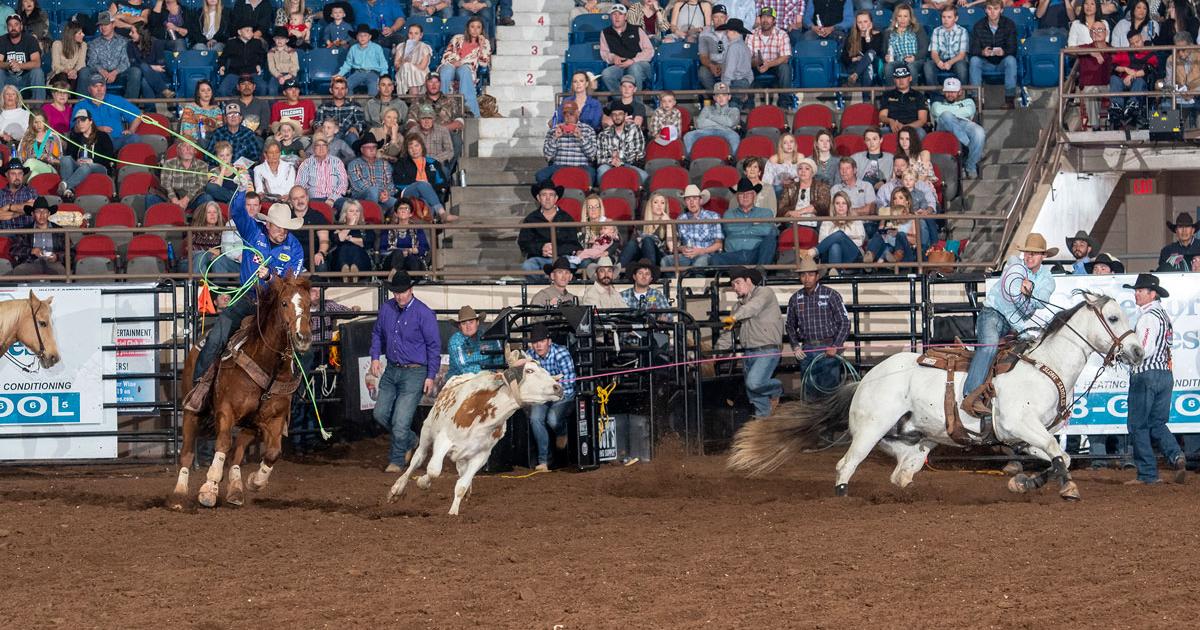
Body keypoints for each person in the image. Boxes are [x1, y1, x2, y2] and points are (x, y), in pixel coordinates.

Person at [186, 191, 306, 410]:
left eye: (285, 227)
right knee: (216, 338)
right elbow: (238, 210)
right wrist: (241, 189)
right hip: (248, 298)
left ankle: (297, 398)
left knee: (299, 343)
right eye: (277, 227)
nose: (282, 232)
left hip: (276, 306)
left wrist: (270, 277)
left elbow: (290, 285)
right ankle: (199, 389)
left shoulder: (295, 248)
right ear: (268, 225)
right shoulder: (253, 231)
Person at [962, 233, 1058, 418]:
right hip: (993, 315)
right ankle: (971, 395)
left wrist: (1030, 290)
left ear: (1043, 256)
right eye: (1027, 253)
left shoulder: (1047, 279)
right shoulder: (1014, 266)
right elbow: (1008, 305)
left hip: (1013, 322)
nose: (1029, 257)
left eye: (1035, 254)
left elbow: (1041, 301)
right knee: (989, 347)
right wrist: (1022, 328)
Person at [370, 269, 440, 472]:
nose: (399, 296)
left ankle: (397, 460)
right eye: (396, 292)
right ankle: (411, 440)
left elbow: (433, 347)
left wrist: (430, 375)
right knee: (380, 414)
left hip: (415, 372)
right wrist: (375, 356)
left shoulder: (424, 313)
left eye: (402, 292)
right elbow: (377, 334)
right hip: (392, 369)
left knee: (400, 420)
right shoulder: (387, 309)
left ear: (411, 290)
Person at [1121, 273, 1186, 485]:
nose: (1136, 294)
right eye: (1136, 290)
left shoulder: (1148, 317)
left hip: (1145, 375)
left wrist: (1123, 357)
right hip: (1165, 374)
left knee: (1138, 425)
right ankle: (1175, 454)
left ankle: (1147, 473)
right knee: (1157, 423)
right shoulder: (1164, 316)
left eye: (1140, 291)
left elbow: (1143, 350)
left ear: (1152, 294)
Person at [785, 257, 850, 398]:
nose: (806, 278)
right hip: (807, 349)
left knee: (830, 393)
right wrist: (795, 346)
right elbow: (790, 326)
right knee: (809, 393)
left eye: (810, 274)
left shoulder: (831, 295)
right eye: (803, 275)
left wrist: (836, 345)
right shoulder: (795, 299)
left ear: (817, 276)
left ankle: (831, 419)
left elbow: (845, 322)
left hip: (828, 347)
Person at [726, 266, 784, 417]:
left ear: (748, 280)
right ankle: (763, 425)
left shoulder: (765, 292)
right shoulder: (737, 307)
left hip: (767, 349)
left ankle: (777, 388)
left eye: (738, 283)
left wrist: (734, 318)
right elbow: (729, 331)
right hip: (749, 352)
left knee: (754, 383)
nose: (735, 288)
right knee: (754, 393)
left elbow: (753, 307)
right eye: (733, 285)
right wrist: (717, 350)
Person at [522, 322, 575, 471]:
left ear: (549, 342)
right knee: (535, 418)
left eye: (542, 341)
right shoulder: (530, 356)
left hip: (563, 395)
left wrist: (552, 385)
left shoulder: (561, 353)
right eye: (535, 342)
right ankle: (544, 461)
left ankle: (561, 431)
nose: (538, 345)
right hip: (542, 396)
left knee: (552, 419)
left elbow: (570, 384)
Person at [518, 181, 582, 280]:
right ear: (538, 198)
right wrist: (541, 248)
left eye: (551, 195)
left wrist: (555, 249)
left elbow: (574, 244)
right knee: (528, 266)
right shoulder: (531, 219)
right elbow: (524, 243)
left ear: (556, 198)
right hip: (539, 258)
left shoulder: (566, 218)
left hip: (562, 258)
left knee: (570, 267)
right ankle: (541, 289)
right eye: (544, 195)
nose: (548, 198)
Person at [709, 177, 778, 266]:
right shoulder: (729, 214)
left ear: (754, 195)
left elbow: (766, 230)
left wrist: (742, 226)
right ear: (737, 197)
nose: (745, 196)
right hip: (734, 255)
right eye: (741, 194)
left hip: (756, 254)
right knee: (715, 259)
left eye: (748, 194)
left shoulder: (766, 212)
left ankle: (759, 272)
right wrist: (754, 226)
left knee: (770, 238)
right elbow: (731, 229)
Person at [71, 72, 144, 151]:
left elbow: (138, 115)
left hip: (117, 140)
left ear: (105, 87)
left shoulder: (116, 100)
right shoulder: (81, 105)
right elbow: (75, 128)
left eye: (102, 86)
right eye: (95, 86)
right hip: (95, 142)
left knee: (134, 138)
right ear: (89, 89)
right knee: (102, 138)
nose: (99, 90)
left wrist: (131, 130)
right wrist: (97, 129)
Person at [930, 77, 986, 178]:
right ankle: (969, 147)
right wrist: (957, 112)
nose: (950, 94)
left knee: (979, 131)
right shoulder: (936, 104)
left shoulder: (968, 101)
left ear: (960, 92)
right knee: (947, 115)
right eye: (947, 92)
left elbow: (969, 111)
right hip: (944, 128)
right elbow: (938, 111)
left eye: (953, 92)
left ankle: (970, 166)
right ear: (943, 92)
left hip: (964, 124)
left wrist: (950, 111)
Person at [969, 0, 1020, 109]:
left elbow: (1013, 49)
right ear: (985, 10)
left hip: (1002, 62)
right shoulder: (978, 26)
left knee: (1011, 60)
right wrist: (982, 52)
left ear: (1001, 10)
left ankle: (1009, 100)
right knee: (974, 60)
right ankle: (976, 99)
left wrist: (1003, 52)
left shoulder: (1009, 24)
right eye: (989, 9)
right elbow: (973, 49)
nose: (992, 12)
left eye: (995, 9)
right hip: (986, 62)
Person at [53, 109, 113, 202]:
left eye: (83, 120)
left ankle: (66, 184)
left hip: (99, 166)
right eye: (78, 121)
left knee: (86, 166)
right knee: (65, 159)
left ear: (91, 121)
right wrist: (76, 161)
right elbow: (70, 155)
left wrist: (93, 160)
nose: (80, 123)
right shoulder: (75, 137)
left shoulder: (102, 136)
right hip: (80, 165)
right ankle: (68, 190)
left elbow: (109, 155)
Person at [661, 185, 723, 272]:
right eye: (688, 199)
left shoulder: (713, 216)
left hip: (706, 254)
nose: (691, 202)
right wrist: (682, 248)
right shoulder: (681, 218)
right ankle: (674, 284)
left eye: (694, 198)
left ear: (700, 200)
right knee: (665, 261)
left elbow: (719, 244)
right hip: (686, 256)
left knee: (698, 264)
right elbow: (676, 245)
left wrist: (702, 251)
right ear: (685, 202)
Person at [437, 16, 490, 119]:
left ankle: (468, 110)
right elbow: (447, 53)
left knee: (465, 70)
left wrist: (482, 45)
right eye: (472, 27)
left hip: (466, 68)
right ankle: (444, 108)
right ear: (468, 28)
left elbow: (483, 63)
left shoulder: (485, 43)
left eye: (478, 27)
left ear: (482, 29)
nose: (475, 30)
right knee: (447, 70)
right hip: (452, 64)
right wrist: (455, 61)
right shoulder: (457, 38)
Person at [536, 100, 598, 185]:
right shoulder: (554, 130)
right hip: (559, 165)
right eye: (565, 114)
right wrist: (555, 138)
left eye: (571, 113)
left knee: (591, 175)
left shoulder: (588, 130)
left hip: (581, 166)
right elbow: (547, 156)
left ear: (578, 113)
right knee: (540, 176)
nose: (568, 116)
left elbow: (592, 156)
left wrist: (581, 138)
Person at [80, 12, 141, 98]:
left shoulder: (124, 41)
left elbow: (126, 61)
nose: (103, 27)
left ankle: (129, 108)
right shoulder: (93, 43)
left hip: (119, 74)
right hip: (99, 75)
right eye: (100, 25)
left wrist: (115, 72)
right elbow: (91, 62)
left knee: (135, 71)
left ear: (113, 24)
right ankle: (82, 106)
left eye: (106, 24)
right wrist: (101, 71)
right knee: (84, 71)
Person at [394, 133, 452, 222]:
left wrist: (428, 187)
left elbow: (442, 183)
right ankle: (442, 213)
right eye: (410, 147)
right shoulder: (402, 163)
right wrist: (420, 183)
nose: (414, 149)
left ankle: (428, 232)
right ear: (407, 150)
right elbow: (398, 182)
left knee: (426, 201)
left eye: (416, 145)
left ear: (422, 146)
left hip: (429, 194)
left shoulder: (433, 163)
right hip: (407, 192)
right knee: (422, 184)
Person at [1108, 30, 1157, 129]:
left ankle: (1133, 105)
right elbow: (1114, 66)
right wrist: (1125, 69)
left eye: (1137, 41)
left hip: (1140, 83)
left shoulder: (1150, 54)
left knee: (1139, 81)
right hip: (1123, 81)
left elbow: (1146, 70)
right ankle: (1116, 106)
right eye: (1132, 43)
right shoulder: (1124, 53)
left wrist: (1132, 75)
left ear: (1142, 39)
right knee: (1114, 78)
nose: (1136, 45)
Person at [599, 4, 654, 92]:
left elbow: (649, 51)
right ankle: (622, 100)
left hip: (639, 63)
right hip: (620, 65)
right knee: (606, 74)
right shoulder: (605, 32)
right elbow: (604, 52)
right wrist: (613, 57)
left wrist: (633, 60)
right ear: (610, 17)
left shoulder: (637, 29)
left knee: (634, 68)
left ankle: (637, 102)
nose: (617, 17)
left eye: (620, 14)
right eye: (614, 14)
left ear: (625, 17)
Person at [6, 197, 66, 275]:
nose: (42, 215)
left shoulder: (59, 230)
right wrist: (31, 251)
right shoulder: (25, 231)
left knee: (62, 272)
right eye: (38, 212)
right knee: (19, 271)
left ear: (49, 214)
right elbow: (14, 250)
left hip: (54, 263)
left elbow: (70, 252)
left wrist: (57, 256)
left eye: (45, 212)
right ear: (33, 214)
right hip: (31, 262)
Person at [747, 7, 792, 106]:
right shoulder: (751, 34)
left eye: (769, 17)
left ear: (774, 20)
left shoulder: (782, 34)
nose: (765, 20)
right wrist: (757, 63)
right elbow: (747, 58)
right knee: (746, 68)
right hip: (756, 66)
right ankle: (748, 104)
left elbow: (785, 57)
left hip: (774, 66)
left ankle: (785, 103)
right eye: (763, 17)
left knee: (785, 68)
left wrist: (769, 64)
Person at [683, 81, 741, 155]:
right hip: (706, 131)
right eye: (718, 95)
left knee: (734, 136)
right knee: (688, 136)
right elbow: (700, 124)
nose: (721, 98)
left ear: (729, 97)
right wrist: (722, 122)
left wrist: (711, 117)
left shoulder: (734, 110)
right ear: (714, 97)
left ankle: (733, 161)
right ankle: (689, 161)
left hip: (725, 131)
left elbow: (729, 123)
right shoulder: (707, 108)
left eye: (724, 95)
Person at [596, 101, 647, 182]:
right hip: (610, 165)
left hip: (629, 164)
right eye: (614, 114)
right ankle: (604, 192)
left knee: (644, 176)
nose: (617, 117)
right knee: (602, 170)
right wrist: (611, 161)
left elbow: (639, 153)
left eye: (620, 114)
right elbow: (600, 157)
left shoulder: (635, 129)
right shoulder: (603, 134)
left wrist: (621, 160)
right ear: (611, 116)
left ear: (625, 115)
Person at [619, 192, 672, 268]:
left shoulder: (670, 223)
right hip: (641, 257)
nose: (659, 205)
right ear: (650, 205)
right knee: (631, 244)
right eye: (656, 202)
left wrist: (669, 224)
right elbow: (633, 246)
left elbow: (672, 248)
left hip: (659, 258)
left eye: (662, 203)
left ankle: (651, 272)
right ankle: (616, 273)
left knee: (647, 240)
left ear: (665, 206)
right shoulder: (641, 225)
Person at [446, 306, 501, 379]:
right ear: (459, 326)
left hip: (490, 377)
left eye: (471, 322)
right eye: (464, 324)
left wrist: (498, 371)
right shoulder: (455, 341)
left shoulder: (488, 336)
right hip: (461, 379)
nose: (468, 326)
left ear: (477, 322)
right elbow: (464, 368)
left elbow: (499, 358)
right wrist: (490, 372)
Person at [815, 191, 866, 267]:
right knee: (835, 246)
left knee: (839, 235)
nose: (841, 206)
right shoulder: (827, 222)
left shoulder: (856, 220)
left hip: (851, 255)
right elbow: (822, 241)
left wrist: (840, 239)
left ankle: (814, 251)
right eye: (837, 203)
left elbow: (859, 241)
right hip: (829, 255)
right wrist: (847, 238)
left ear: (848, 205)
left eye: (844, 203)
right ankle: (835, 274)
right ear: (833, 206)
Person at [345, 132, 395, 210]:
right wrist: (379, 193)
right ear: (361, 149)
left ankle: (381, 215)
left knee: (398, 203)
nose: (372, 149)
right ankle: (373, 216)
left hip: (383, 197)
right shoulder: (354, 164)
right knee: (373, 190)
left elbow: (390, 184)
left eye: (374, 147)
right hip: (361, 197)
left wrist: (387, 193)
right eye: (368, 147)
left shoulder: (385, 164)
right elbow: (358, 186)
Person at [0, 14, 44, 101]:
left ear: (21, 26)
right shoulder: (2, 40)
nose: (13, 27)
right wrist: (9, 65)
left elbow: (37, 63)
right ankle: (1, 108)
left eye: (16, 24)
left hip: (26, 77)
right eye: (10, 25)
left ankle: (38, 110)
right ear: (7, 27)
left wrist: (20, 66)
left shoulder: (30, 40)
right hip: (8, 78)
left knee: (38, 72)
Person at [881, 4, 928, 86]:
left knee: (911, 66)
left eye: (905, 16)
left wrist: (914, 57)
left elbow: (924, 48)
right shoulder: (888, 32)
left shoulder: (917, 28)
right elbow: (883, 50)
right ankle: (892, 94)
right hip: (897, 61)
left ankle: (913, 93)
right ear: (896, 17)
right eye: (899, 16)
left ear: (910, 17)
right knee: (888, 67)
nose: (902, 19)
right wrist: (886, 56)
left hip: (915, 60)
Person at [378, 199, 429, 271]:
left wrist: (411, 251)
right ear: (396, 213)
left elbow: (425, 249)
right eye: (400, 208)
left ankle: (415, 280)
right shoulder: (387, 229)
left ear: (410, 213)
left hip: (412, 259)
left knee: (412, 258)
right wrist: (400, 253)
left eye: (406, 208)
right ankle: (393, 276)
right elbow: (382, 250)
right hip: (391, 261)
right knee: (398, 254)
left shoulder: (417, 229)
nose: (403, 211)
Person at [295, 134, 349, 202]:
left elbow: (343, 183)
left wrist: (332, 198)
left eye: (324, 145)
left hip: (336, 198)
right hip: (314, 198)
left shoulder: (337, 162)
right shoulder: (306, 164)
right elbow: (300, 184)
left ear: (327, 148)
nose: (321, 148)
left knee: (350, 206)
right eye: (318, 145)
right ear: (313, 149)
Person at [338, 24, 388, 96]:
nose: (362, 37)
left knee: (374, 88)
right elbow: (348, 64)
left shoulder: (377, 48)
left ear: (369, 37)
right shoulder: (353, 48)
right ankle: (350, 104)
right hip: (358, 73)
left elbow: (383, 63)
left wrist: (384, 76)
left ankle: (372, 106)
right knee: (346, 86)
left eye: (365, 35)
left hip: (373, 73)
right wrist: (340, 74)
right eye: (360, 35)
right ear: (357, 37)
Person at [156, 141, 208, 211]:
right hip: (173, 196)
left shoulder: (202, 165)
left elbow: (200, 184)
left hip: (193, 198)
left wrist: (186, 199)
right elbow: (165, 183)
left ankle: (200, 221)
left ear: (195, 151)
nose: (188, 149)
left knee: (206, 198)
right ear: (179, 150)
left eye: (191, 147)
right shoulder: (169, 163)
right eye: (184, 146)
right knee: (151, 198)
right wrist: (174, 200)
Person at [924, 5, 969, 86]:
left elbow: (962, 55)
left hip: (956, 60)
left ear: (956, 18)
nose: (945, 20)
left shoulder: (962, 31)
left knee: (961, 67)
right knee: (928, 66)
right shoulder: (936, 31)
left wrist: (950, 63)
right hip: (941, 59)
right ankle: (935, 95)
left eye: (949, 17)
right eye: (943, 17)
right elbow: (934, 53)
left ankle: (962, 95)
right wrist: (938, 62)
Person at [127, 23, 173, 99]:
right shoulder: (130, 45)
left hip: (159, 75)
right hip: (140, 75)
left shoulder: (157, 43)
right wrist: (152, 67)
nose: (129, 34)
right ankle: (163, 90)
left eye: (132, 32)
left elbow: (161, 67)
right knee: (144, 78)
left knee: (144, 72)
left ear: (141, 34)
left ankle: (151, 109)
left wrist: (148, 68)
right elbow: (133, 64)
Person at [878, 66, 928, 137]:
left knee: (920, 132)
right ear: (894, 80)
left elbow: (922, 120)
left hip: (913, 128)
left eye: (904, 77)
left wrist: (905, 127)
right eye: (898, 78)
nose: (901, 80)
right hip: (892, 127)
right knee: (876, 134)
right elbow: (882, 116)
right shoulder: (887, 95)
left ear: (910, 78)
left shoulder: (919, 95)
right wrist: (891, 121)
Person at [317, 77, 366, 144]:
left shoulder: (355, 106)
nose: (340, 92)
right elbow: (318, 123)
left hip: (348, 135)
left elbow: (361, 123)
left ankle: (354, 154)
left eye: (342, 88)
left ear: (346, 90)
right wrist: (321, 128)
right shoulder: (323, 107)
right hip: (331, 136)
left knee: (352, 136)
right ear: (331, 90)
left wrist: (355, 128)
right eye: (336, 88)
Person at [842, 10, 883, 90]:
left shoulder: (878, 35)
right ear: (856, 24)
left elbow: (876, 53)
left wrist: (867, 36)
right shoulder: (852, 36)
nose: (862, 25)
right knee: (868, 67)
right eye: (859, 22)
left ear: (871, 22)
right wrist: (854, 59)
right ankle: (866, 100)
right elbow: (844, 56)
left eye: (865, 21)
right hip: (855, 65)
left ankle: (855, 75)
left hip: (873, 65)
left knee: (870, 56)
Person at [330, 199, 373, 274]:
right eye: (351, 211)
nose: (355, 214)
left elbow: (366, 243)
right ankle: (345, 270)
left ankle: (353, 271)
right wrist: (350, 226)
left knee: (354, 248)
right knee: (344, 248)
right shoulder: (337, 226)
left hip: (362, 262)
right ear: (345, 213)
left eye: (357, 211)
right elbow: (337, 239)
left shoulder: (366, 227)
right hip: (338, 262)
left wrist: (348, 238)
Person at [829, 157, 877, 221]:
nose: (844, 171)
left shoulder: (866, 186)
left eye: (847, 168)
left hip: (863, 224)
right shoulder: (835, 189)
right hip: (841, 223)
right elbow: (832, 211)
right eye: (841, 169)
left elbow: (870, 209)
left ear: (854, 170)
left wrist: (847, 211)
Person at [393, 23, 433, 95]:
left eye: (416, 33)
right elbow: (396, 66)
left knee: (408, 66)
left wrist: (409, 65)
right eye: (410, 33)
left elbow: (422, 67)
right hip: (403, 73)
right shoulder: (401, 46)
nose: (413, 36)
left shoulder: (425, 47)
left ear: (421, 35)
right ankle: (414, 97)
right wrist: (404, 61)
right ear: (408, 34)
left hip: (420, 74)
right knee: (406, 66)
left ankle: (412, 95)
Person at [413, 104, 455, 170]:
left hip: (438, 164)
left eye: (429, 118)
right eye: (423, 118)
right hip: (417, 165)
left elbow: (449, 151)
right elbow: (406, 151)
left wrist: (433, 160)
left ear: (434, 119)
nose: (427, 121)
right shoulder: (413, 131)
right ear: (419, 119)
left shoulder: (443, 130)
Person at [697, 4, 728, 90]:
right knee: (702, 73)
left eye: (722, 17)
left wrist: (725, 66)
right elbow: (703, 56)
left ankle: (728, 97)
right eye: (716, 17)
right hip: (712, 63)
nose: (719, 20)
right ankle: (716, 95)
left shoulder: (732, 32)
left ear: (726, 18)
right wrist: (711, 66)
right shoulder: (705, 33)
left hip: (728, 64)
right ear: (711, 18)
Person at [51, 23, 87, 88]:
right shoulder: (57, 44)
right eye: (80, 33)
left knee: (79, 76)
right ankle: (64, 96)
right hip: (59, 76)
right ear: (72, 35)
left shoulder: (83, 45)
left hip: (74, 75)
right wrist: (68, 71)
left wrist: (74, 71)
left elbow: (81, 64)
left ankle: (78, 97)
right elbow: (55, 66)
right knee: (63, 76)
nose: (83, 35)